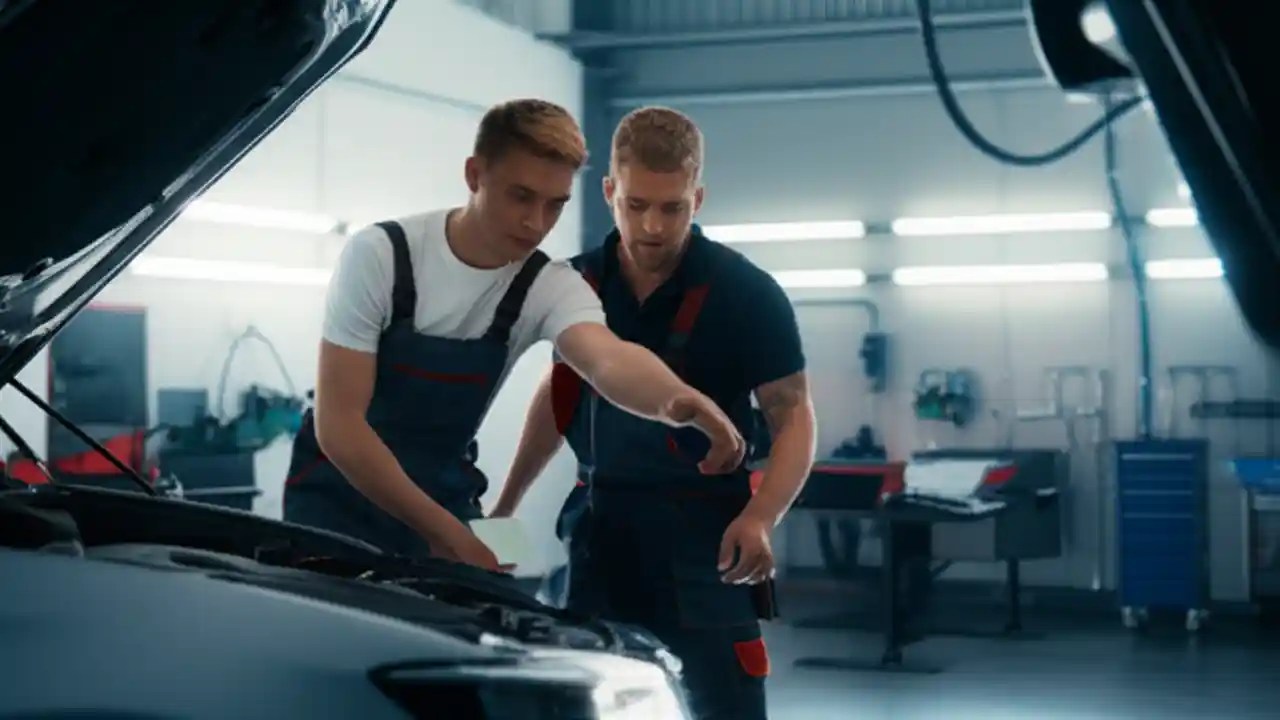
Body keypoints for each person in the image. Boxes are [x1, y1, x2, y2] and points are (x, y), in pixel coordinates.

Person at [282, 99, 746, 573]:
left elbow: (609, 359)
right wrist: (446, 534)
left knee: (512, 612)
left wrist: (678, 400)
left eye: (555, 205)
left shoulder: (547, 284)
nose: (537, 222)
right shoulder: (380, 255)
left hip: (448, 491)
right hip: (336, 499)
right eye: (520, 196)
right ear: (474, 175)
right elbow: (339, 426)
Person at [490, 106, 817, 720]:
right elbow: (560, 396)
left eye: (673, 207)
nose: (653, 226)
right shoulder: (574, 284)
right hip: (600, 537)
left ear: (699, 196)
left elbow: (793, 414)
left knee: (723, 706)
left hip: (708, 546)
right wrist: (505, 507)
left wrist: (762, 516)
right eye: (636, 204)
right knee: (589, 702)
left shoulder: (746, 293)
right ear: (610, 190)